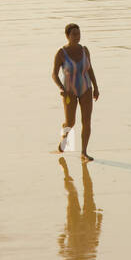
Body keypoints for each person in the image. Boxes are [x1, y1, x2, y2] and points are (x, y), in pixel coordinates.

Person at [52, 23, 99, 161]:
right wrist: (61, 88)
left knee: (86, 121)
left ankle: (84, 152)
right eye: (73, 34)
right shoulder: (61, 53)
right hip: (69, 92)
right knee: (71, 122)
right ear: (67, 36)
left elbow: (89, 69)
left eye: (78, 34)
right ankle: (64, 137)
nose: (77, 37)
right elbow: (54, 74)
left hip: (86, 89)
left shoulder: (85, 50)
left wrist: (96, 87)